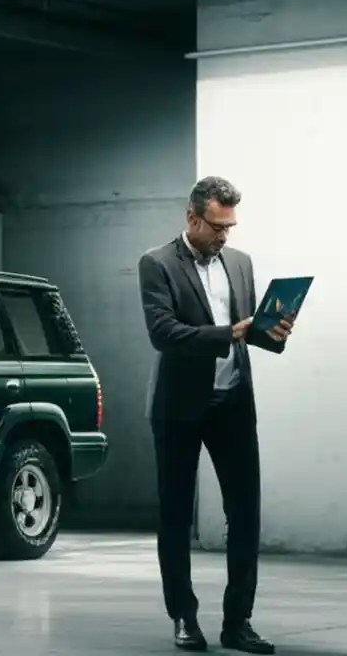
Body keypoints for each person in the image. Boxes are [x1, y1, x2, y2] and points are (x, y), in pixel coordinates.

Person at [137, 176, 293, 654]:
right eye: (217, 226)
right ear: (192, 217)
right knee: (176, 514)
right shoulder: (157, 263)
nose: (225, 235)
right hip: (179, 406)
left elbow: (250, 332)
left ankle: (238, 623)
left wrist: (275, 331)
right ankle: (184, 617)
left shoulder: (241, 263)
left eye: (231, 227)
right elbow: (164, 333)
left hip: (233, 402)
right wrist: (231, 332)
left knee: (245, 513)